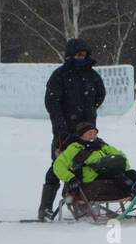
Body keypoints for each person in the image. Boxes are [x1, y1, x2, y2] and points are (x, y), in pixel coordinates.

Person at [38, 38, 105, 220]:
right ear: (70, 55)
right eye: (78, 54)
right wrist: (61, 124)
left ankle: (83, 201)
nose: (81, 58)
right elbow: (52, 102)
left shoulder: (93, 76)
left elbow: (100, 95)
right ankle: (45, 208)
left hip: (88, 130)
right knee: (58, 165)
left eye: (84, 55)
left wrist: (89, 113)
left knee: (88, 163)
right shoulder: (59, 76)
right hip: (64, 131)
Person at [52, 122, 136, 202]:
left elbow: (120, 156)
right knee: (116, 174)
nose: (93, 136)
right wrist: (71, 178)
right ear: (81, 135)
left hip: (105, 173)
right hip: (89, 179)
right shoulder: (74, 148)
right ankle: (134, 187)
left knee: (129, 172)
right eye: (89, 133)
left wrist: (123, 168)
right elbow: (58, 166)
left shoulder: (101, 146)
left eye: (95, 133)